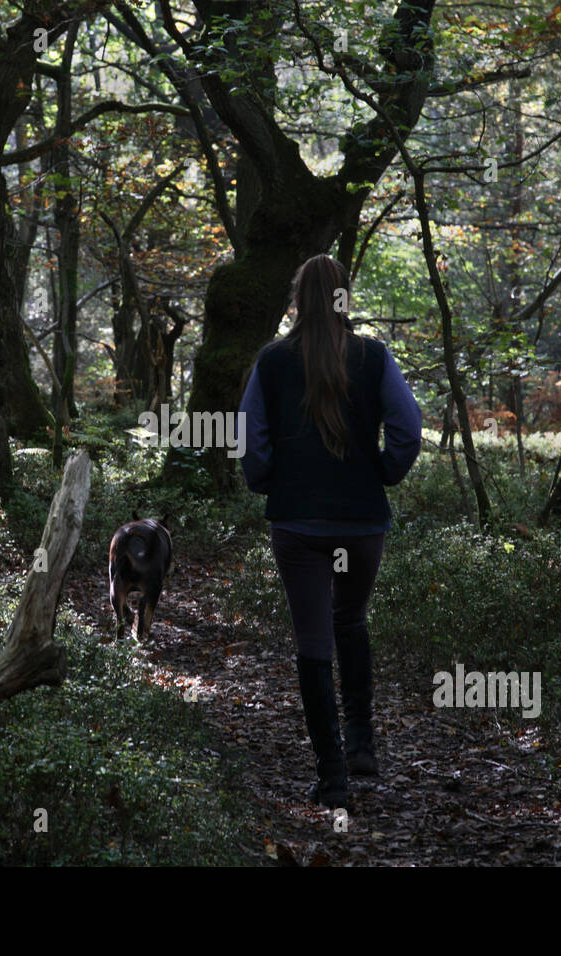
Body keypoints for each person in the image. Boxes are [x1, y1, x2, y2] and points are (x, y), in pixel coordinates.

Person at [239, 253, 422, 809]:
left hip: (298, 526)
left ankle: (333, 776)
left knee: (314, 641)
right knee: (351, 620)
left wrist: (268, 481)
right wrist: (383, 472)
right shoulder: (373, 356)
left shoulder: (272, 361)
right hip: (362, 522)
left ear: (298, 299)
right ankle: (363, 746)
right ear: (343, 297)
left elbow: (250, 441)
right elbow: (408, 428)